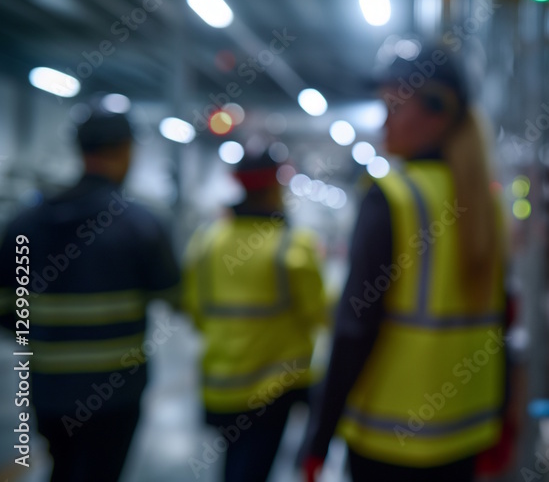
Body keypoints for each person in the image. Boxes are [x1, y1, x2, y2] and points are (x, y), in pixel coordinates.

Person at [300, 45, 508, 482]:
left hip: (389, 439)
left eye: (394, 107)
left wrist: (318, 438)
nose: (384, 121)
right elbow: (502, 322)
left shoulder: (392, 197)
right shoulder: (485, 206)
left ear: (437, 113)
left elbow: (354, 328)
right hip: (466, 434)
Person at [0, 108, 181, 482]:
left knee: (63, 469)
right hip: (115, 393)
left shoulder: (24, 223)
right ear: (126, 150)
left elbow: (6, 312)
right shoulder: (139, 224)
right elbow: (174, 295)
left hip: (48, 388)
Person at [183, 147, 326, 482]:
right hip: (274, 389)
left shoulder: (206, 241)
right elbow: (318, 312)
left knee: (236, 463)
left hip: (219, 384)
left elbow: (195, 311)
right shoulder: (293, 244)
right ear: (277, 185)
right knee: (253, 467)